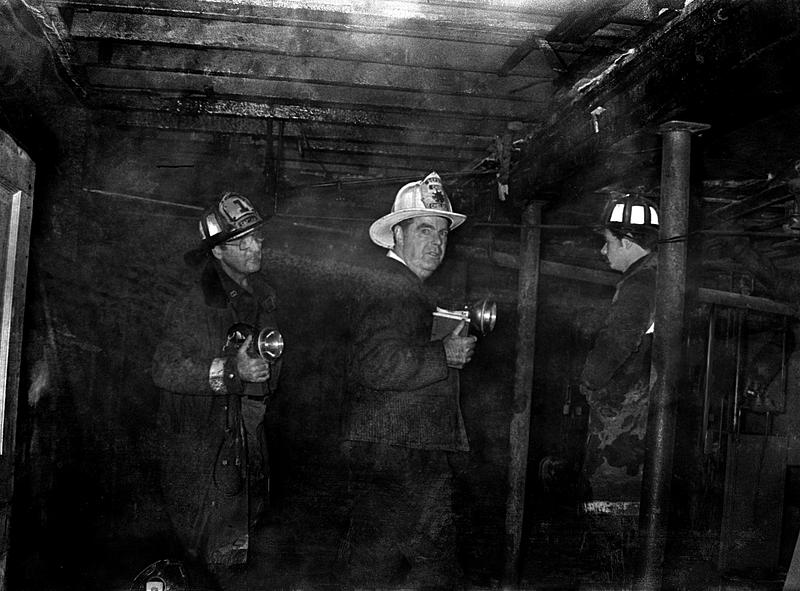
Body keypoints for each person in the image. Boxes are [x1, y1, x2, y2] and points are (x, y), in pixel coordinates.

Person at [340, 171, 477, 588]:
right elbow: (376, 363)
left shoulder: (407, 290)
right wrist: (444, 354)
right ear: (396, 236)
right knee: (408, 568)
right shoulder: (391, 288)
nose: (436, 243)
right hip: (399, 454)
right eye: (423, 230)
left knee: (387, 566)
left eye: (442, 233)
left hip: (402, 450)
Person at [151, 191, 281, 577]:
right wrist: (230, 372)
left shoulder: (262, 298)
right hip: (201, 451)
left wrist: (262, 374)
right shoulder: (193, 304)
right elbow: (165, 368)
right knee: (205, 562)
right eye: (243, 241)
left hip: (246, 444)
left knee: (238, 553)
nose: (256, 246)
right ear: (219, 252)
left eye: (258, 237)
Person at [580, 193, 660, 509]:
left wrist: (589, 379)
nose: (603, 250)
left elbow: (617, 340)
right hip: (642, 417)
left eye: (609, 241)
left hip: (625, 424)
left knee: (610, 507)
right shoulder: (659, 275)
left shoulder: (640, 282)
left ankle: (613, 555)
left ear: (627, 241)